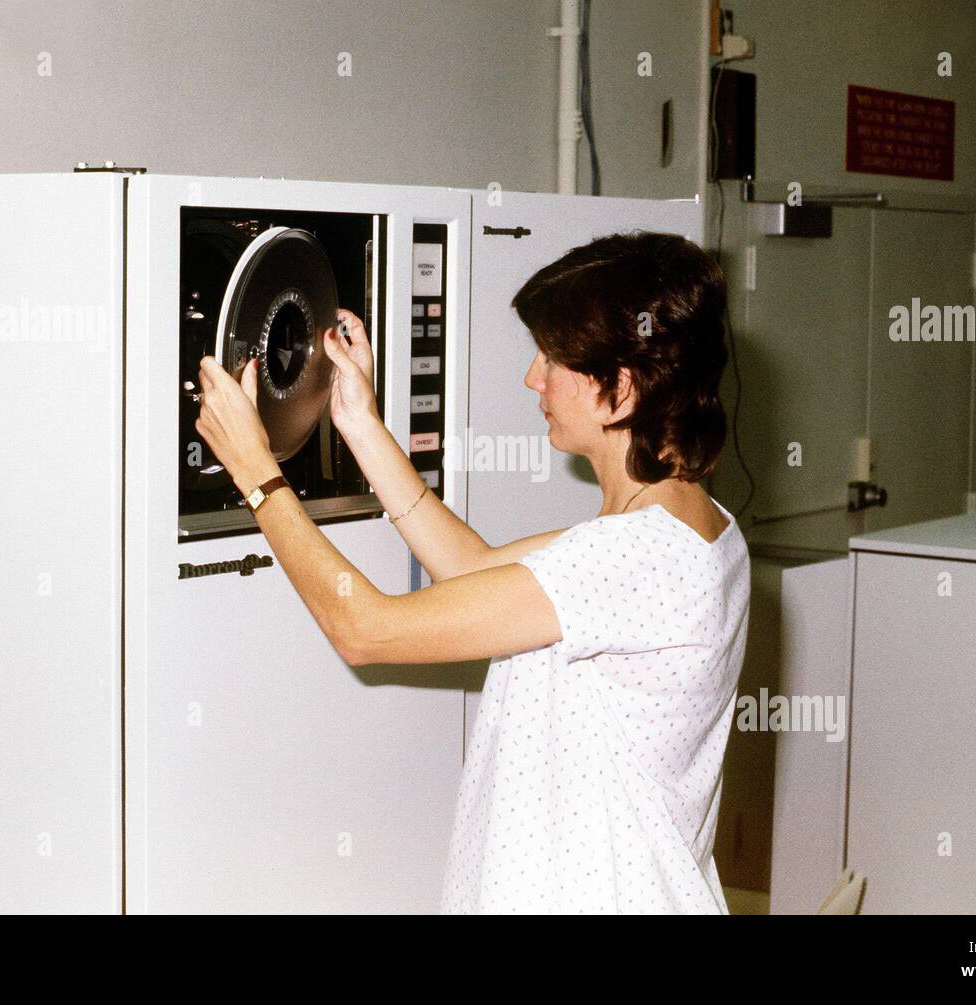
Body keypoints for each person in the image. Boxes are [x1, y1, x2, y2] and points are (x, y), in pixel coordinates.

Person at [195, 229, 750, 914]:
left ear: (621, 389)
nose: (533, 377)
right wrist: (360, 423)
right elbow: (473, 567)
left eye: (554, 358)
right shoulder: (694, 530)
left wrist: (257, 475)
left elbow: (363, 629)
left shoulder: (628, 559)